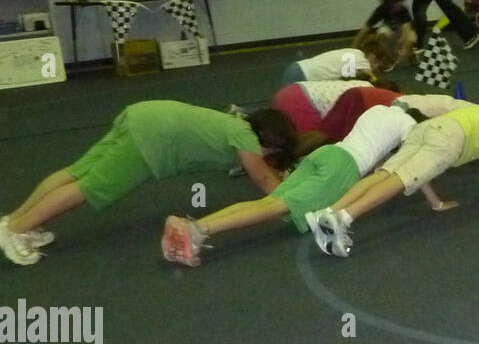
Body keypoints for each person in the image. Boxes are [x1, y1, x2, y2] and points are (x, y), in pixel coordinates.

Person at [161, 95, 466, 267]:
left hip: (327, 153)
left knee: (268, 202)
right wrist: (435, 201)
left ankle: (197, 227)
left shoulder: (379, 111)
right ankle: (197, 229)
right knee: (276, 207)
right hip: (343, 169)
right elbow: (411, 168)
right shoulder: (410, 127)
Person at [0, 102, 296, 267]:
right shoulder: (247, 140)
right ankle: (16, 230)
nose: (266, 158)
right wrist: (293, 203)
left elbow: (263, 172)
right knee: (89, 188)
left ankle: (13, 221)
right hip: (152, 142)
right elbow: (264, 179)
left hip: (142, 117)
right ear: (269, 142)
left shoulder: (237, 124)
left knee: (77, 172)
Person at [306, 97, 479, 257]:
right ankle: (343, 219)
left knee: (386, 173)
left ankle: (327, 212)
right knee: (398, 181)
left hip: (427, 128)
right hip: (449, 138)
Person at [353, 0, 416, 69]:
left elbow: (407, 29)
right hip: (391, 33)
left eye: (401, 1)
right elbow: (365, 29)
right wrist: (353, 48)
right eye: (398, 2)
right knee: (382, 32)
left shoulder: (403, 10)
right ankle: (389, 59)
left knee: (411, 37)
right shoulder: (381, 10)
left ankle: (411, 55)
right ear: (389, 2)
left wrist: (404, 47)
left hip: (401, 32)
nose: (400, 4)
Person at [281, 41, 387, 87]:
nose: (376, 68)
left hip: (297, 68)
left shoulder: (353, 52)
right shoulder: (362, 61)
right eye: (378, 63)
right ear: (373, 57)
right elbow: (373, 80)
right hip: (303, 77)